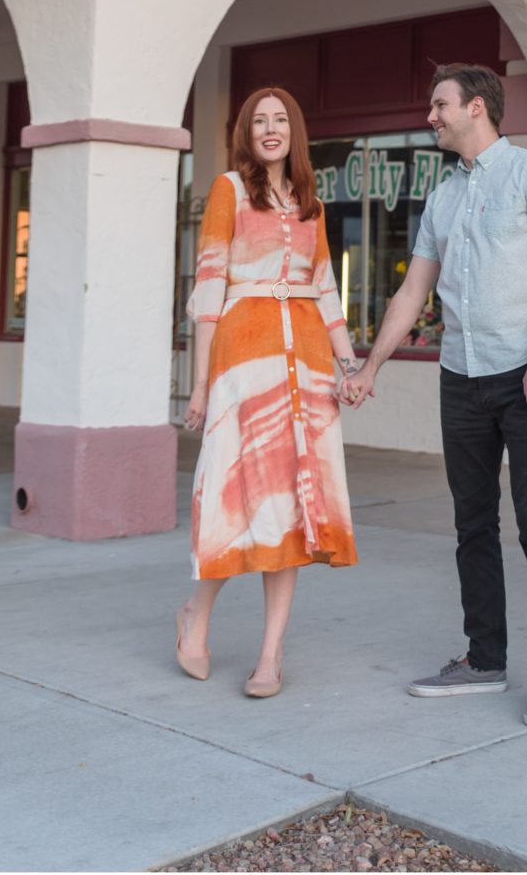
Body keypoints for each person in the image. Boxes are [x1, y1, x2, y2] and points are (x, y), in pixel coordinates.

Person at [342, 63, 527, 728]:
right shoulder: (442, 198)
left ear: (476, 107)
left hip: (525, 375)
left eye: (439, 105)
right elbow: (414, 292)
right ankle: (484, 658)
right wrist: (370, 368)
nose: (430, 116)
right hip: (460, 377)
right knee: (472, 525)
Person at [175, 87, 357, 697]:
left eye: (281, 119)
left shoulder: (311, 201)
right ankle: (196, 614)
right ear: (246, 132)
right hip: (242, 362)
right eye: (260, 120)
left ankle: (270, 654)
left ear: (295, 130)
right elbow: (208, 289)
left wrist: (350, 362)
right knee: (238, 500)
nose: (271, 128)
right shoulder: (229, 189)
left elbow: (326, 289)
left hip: (306, 366)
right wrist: (200, 385)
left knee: (292, 511)